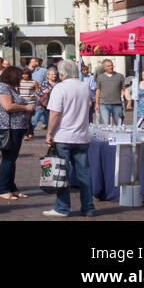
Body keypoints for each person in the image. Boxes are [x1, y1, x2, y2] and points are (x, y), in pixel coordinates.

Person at [43, 59, 96, 218]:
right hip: (81, 136)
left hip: (63, 136)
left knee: (62, 174)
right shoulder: (84, 86)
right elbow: (88, 106)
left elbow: (55, 113)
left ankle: (62, 207)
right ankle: (88, 207)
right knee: (84, 174)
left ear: (61, 73)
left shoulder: (60, 88)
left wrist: (49, 132)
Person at [0, 65, 34, 201]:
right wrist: (26, 107)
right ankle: (2, 189)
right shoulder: (2, 87)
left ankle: (11, 187)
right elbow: (7, 106)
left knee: (11, 159)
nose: (21, 80)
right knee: (8, 159)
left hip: (16, 127)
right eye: (19, 77)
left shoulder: (9, 88)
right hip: (7, 128)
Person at [96, 60, 126, 127]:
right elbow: (98, 90)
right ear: (104, 68)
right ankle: (108, 137)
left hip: (117, 104)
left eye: (112, 65)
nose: (111, 67)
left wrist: (128, 100)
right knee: (106, 125)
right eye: (108, 66)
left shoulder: (120, 76)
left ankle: (118, 137)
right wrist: (97, 103)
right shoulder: (100, 77)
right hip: (104, 104)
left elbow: (124, 89)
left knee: (119, 125)